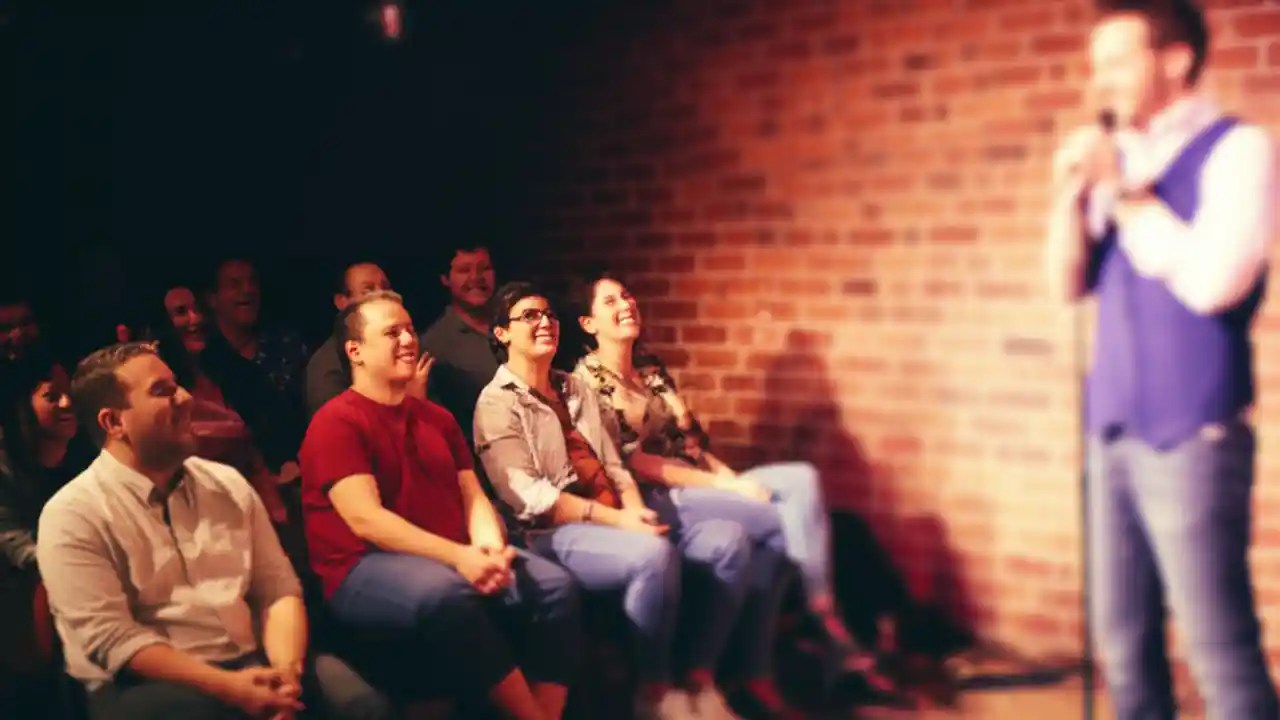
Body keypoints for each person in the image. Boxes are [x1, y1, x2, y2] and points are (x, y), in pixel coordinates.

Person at [1044, 2, 1278, 718]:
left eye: (1117, 59)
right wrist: (1068, 194)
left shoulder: (1241, 149)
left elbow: (1213, 284)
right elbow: (1064, 285)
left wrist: (1123, 188)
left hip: (1194, 433)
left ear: (1174, 59)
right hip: (1109, 428)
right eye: (1096, 62)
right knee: (1122, 647)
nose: (1099, 79)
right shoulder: (1115, 159)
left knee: (1217, 647)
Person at [571, 273, 895, 705]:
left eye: (627, 295)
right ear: (588, 323)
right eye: (609, 301)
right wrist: (725, 485)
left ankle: (767, 646)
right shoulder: (587, 380)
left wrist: (735, 480)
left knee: (798, 484)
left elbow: (693, 446)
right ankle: (808, 631)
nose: (625, 304)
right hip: (652, 497)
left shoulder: (651, 371)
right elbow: (635, 462)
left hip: (698, 485)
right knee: (784, 521)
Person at [475, 282, 793, 720]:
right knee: (651, 555)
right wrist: (619, 521)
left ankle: (699, 678)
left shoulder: (572, 388)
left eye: (547, 314)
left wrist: (632, 507)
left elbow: (613, 462)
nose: (544, 322)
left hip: (606, 515)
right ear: (502, 334)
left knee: (729, 541)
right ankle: (654, 690)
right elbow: (532, 499)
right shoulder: (496, 403)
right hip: (549, 532)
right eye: (529, 316)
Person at [36, 342, 379, 719]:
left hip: (255, 659)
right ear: (114, 422)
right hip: (151, 683)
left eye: (177, 384)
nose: (185, 398)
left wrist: (286, 674)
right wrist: (232, 690)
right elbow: (115, 642)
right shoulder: (72, 513)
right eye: (162, 391)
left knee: (360, 704)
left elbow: (278, 590)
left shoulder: (226, 483)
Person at [300, 290, 579, 719]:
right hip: (361, 567)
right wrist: (460, 557)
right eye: (392, 332)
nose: (409, 339)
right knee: (446, 593)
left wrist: (487, 546)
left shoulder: (437, 418)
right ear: (355, 351)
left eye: (410, 329)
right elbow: (366, 520)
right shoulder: (336, 421)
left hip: (447, 554)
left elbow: (472, 495)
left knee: (554, 586)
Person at [153, 285, 292, 524]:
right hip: (192, 506)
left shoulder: (237, 370)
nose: (194, 319)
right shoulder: (158, 387)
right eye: (181, 312)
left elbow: (273, 431)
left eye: (198, 309)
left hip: (254, 493)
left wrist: (284, 464)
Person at [200, 258, 308, 485]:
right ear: (212, 299)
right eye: (235, 284)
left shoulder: (286, 344)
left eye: (252, 282)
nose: (247, 290)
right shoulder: (203, 359)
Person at [419, 243, 500, 444]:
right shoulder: (435, 345)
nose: (476, 278)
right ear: (445, 279)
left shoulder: (516, 323)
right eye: (464, 270)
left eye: (484, 268)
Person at [305, 261, 393, 417]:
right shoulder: (328, 367)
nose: (382, 296)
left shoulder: (402, 349)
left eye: (386, 288)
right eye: (368, 290)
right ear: (342, 302)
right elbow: (337, 431)